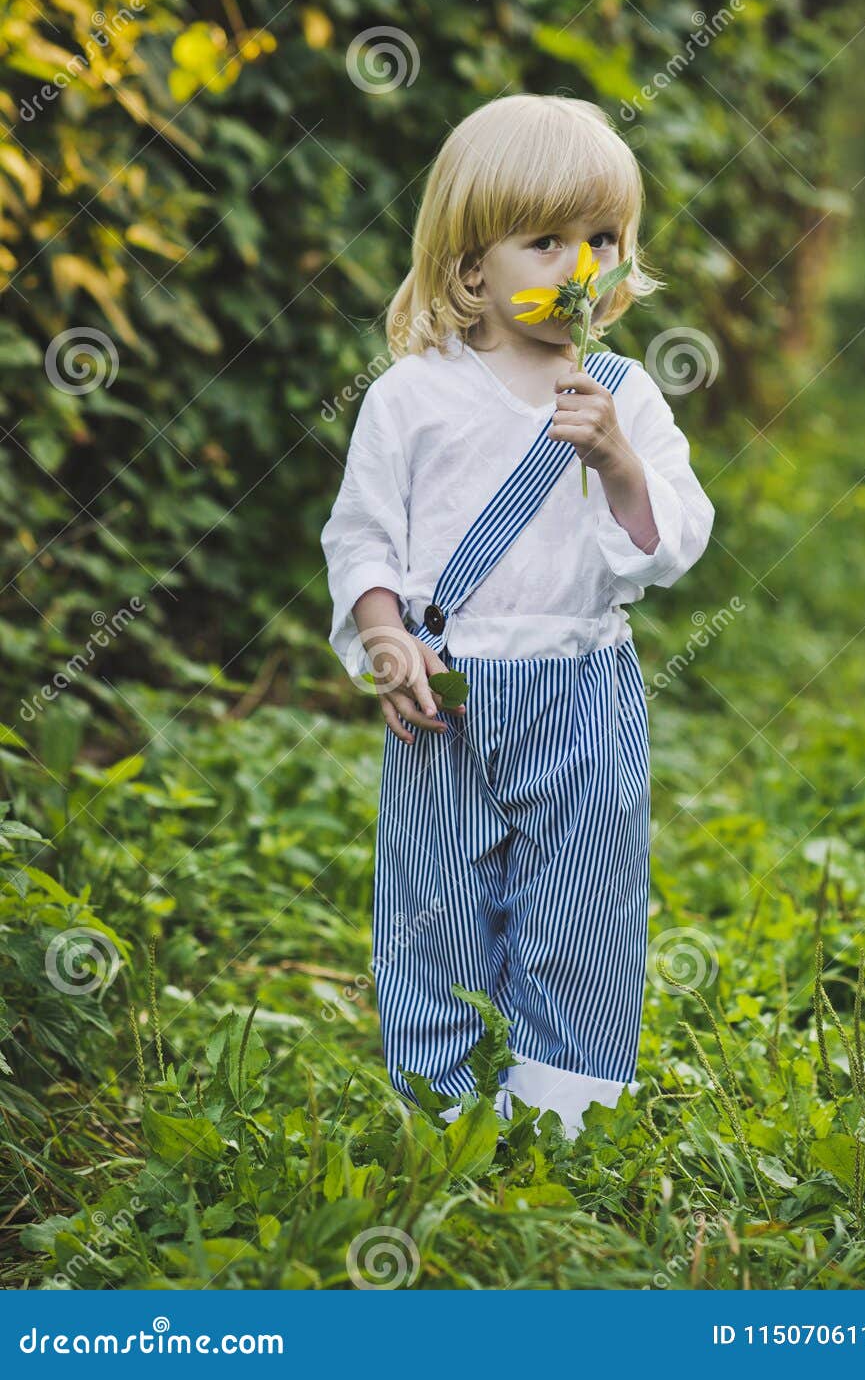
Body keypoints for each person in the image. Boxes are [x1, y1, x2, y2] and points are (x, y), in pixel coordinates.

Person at [320, 92, 716, 1138]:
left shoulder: (622, 394)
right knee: (434, 909)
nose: (581, 266)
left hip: (581, 684)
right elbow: (362, 537)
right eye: (546, 242)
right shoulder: (410, 398)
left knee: (580, 905)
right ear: (470, 267)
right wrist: (384, 634)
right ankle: (440, 1112)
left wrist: (617, 461)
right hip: (445, 693)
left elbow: (673, 539)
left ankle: (565, 1116)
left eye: (603, 240)